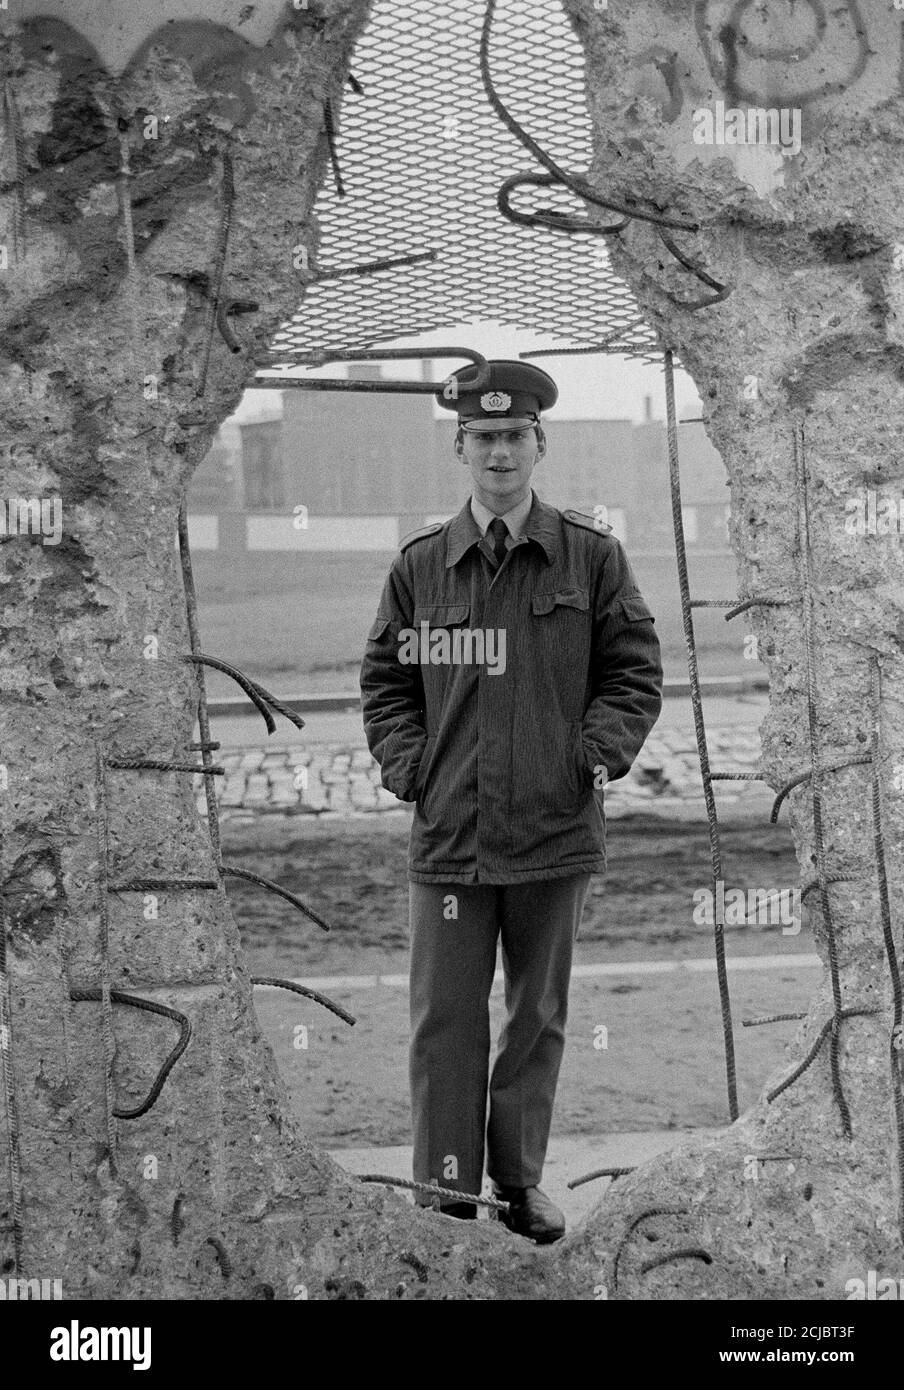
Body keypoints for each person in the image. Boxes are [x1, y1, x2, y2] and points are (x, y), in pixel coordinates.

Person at [359, 360, 663, 1242]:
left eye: (514, 436)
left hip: (553, 826)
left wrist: (594, 754)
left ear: (540, 443)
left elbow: (633, 671)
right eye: (483, 437)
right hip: (450, 833)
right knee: (445, 1021)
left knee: (537, 1018)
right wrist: (410, 767)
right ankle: (450, 1196)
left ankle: (520, 1184)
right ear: (461, 447)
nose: (500, 451)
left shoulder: (591, 554)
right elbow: (384, 681)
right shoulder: (422, 565)